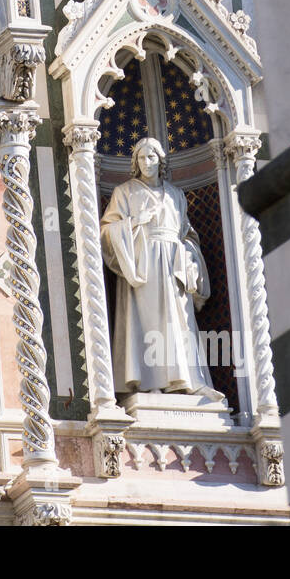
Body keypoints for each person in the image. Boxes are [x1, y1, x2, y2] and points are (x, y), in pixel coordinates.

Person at [99, 136, 223, 399]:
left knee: (180, 321)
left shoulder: (176, 195)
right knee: (146, 321)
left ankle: (190, 381)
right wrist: (134, 223)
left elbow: (188, 235)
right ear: (135, 162)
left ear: (160, 160)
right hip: (142, 264)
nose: (146, 162)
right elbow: (107, 232)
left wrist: (189, 257)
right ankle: (147, 383)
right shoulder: (125, 192)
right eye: (141, 158)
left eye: (151, 157)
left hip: (173, 265)